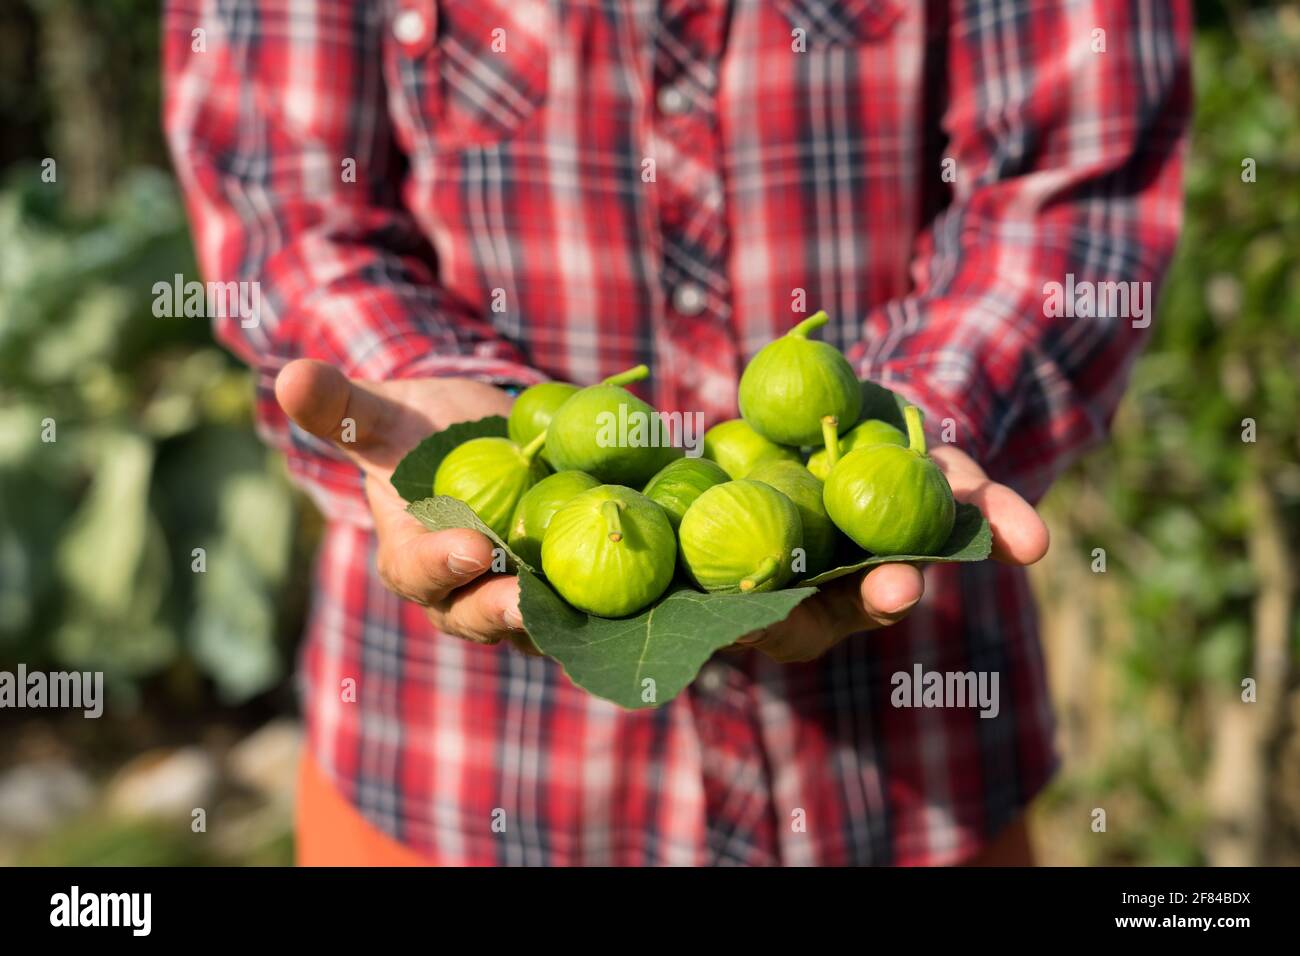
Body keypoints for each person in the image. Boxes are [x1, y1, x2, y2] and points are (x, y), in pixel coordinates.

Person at [163, 0, 1191, 865]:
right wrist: (416, 387)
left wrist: (898, 429)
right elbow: (283, 200)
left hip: (910, 787)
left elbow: (1072, 193)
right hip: (447, 776)